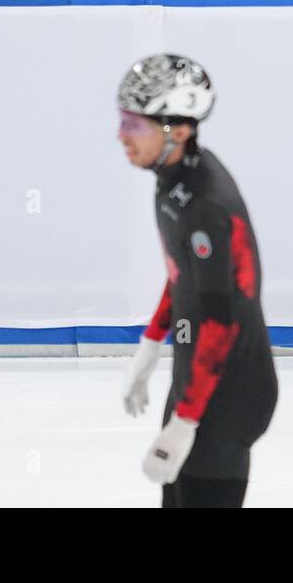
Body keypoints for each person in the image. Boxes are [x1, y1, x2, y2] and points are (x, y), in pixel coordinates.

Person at [117, 54, 277, 508]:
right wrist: (151, 344)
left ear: (178, 129)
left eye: (134, 125)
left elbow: (220, 320)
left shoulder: (206, 203)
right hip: (196, 379)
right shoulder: (173, 179)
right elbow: (184, 274)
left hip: (229, 389)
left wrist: (186, 420)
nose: (122, 136)